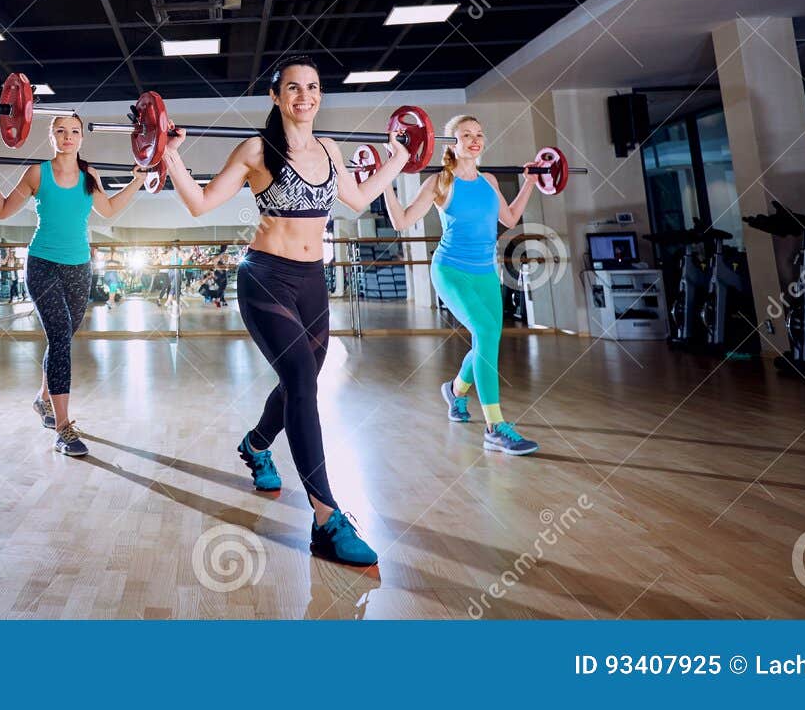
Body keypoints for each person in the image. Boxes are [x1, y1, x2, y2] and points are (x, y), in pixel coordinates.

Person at [161, 55, 407, 568]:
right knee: (301, 380)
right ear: (276, 96)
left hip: (313, 282)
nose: (305, 96)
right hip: (265, 279)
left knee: (300, 380)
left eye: (312, 87)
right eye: (293, 88)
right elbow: (201, 205)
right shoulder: (257, 148)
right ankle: (326, 520)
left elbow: (359, 200)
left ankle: (255, 444)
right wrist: (170, 155)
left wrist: (398, 161)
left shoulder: (329, 148)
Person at [0, 113, 146, 455]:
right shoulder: (38, 172)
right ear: (51, 137)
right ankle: (65, 429)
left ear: (82, 138)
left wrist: (138, 181)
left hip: (80, 268)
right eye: (60, 131)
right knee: (60, 338)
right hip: (43, 265)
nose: (68, 136)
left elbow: (109, 210)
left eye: (74, 131)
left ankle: (43, 400)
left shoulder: (89, 175)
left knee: (62, 339)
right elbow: (3, 211)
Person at [382, 113, 540, 455]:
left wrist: (528, 182)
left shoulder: (490, 182)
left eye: (479, 134)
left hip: (485, 272)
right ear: (452, 143)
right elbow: (402, 221)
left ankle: (455, 391)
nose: (474, 139)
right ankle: (495, 426)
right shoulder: (441, 182)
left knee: (487, 340)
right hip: (451, 270)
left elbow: (509, 219)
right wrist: (383, 182)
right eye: (466, 134)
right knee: (484, 333)